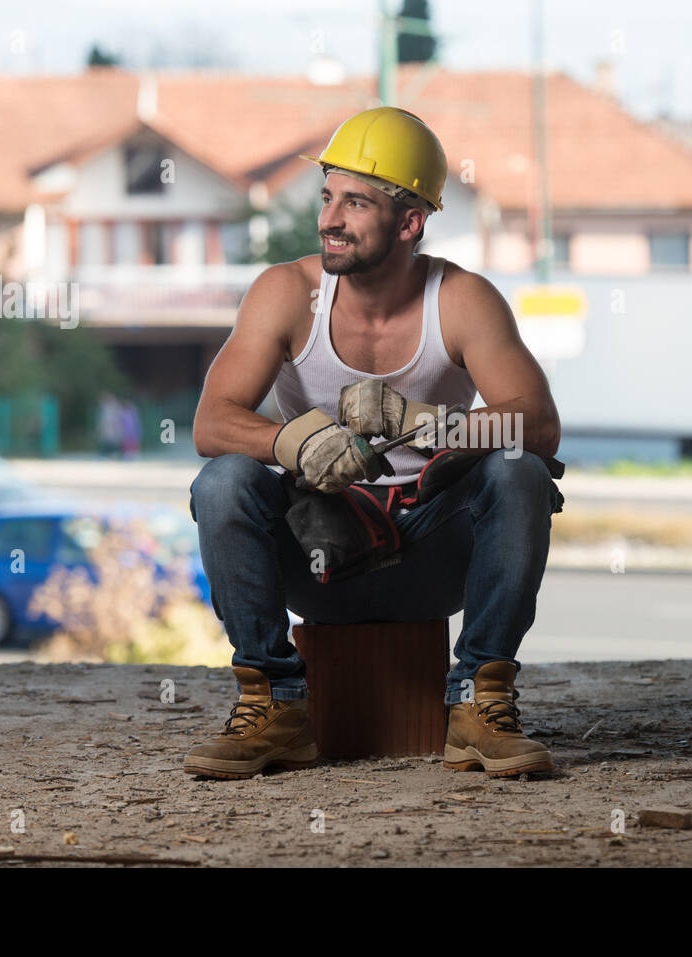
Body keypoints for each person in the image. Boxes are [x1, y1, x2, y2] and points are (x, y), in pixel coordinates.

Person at [183, 107, 563, 780]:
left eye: (355, 202)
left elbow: (538, 425)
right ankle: (273, 704)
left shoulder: (463, 299)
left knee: (520, 471)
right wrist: (291, 442)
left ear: (410, 221)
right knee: (223, 481)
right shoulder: (285, 292)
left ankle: (481, 702)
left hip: (431, 552)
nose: (329, 218)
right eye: (327, 196)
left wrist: (424, 420)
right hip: (319, 549)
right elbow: (211, 423)